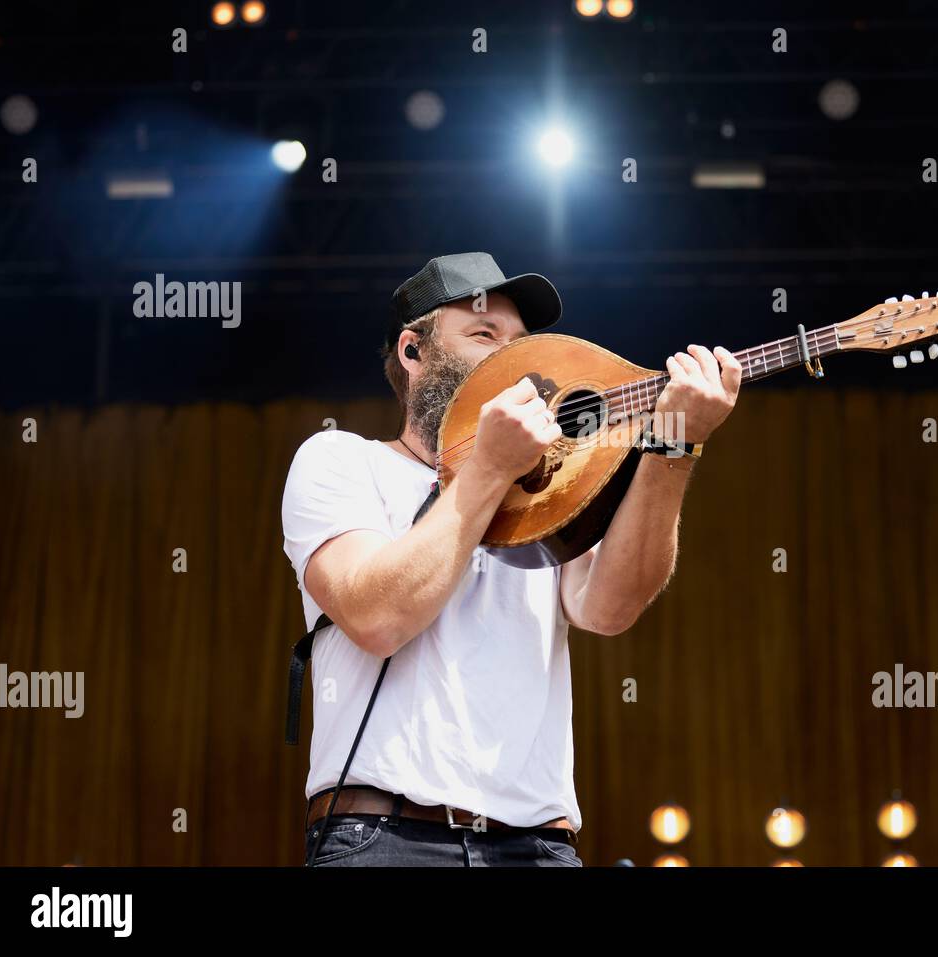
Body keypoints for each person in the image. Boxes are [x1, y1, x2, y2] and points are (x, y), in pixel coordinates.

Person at [281, 252, 741, 865]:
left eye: (521, 342)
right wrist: (489, 469)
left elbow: (608, 609)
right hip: (385, 836)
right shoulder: (340, 460)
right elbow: (378, 619)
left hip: (537, 842)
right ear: (413, 352)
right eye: (484, 334)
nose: (514, 360)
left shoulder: (548, 486)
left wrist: (674, 446)